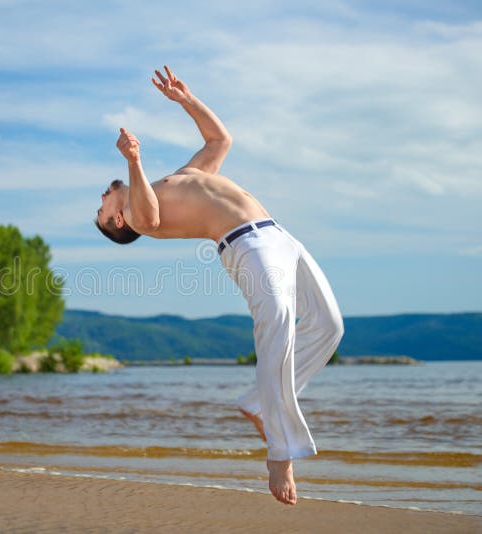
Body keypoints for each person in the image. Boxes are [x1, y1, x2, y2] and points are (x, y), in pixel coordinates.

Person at [95, 65, 345, 505]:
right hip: (247, 245)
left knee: (329, 324)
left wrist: (185, 100)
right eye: (102, 209)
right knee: (278, 324)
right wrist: (133, 160)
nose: (101, 197)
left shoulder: (176, 179)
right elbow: (150, 218)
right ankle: (280, 451)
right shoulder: (137, 212)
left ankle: (256, 402)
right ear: (118, 220)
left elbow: (219, 141)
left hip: (277, 235)